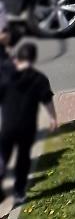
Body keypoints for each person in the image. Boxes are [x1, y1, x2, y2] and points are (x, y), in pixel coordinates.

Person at [1, 40, 57, 210]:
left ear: (18, 58)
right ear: (33, 59)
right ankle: (19, 192)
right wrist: (53, 118)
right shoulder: (39, 79)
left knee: (3, 157)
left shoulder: (6, 76)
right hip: (27, 128)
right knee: (23, 159)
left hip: (8, 127)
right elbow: (47, 99)